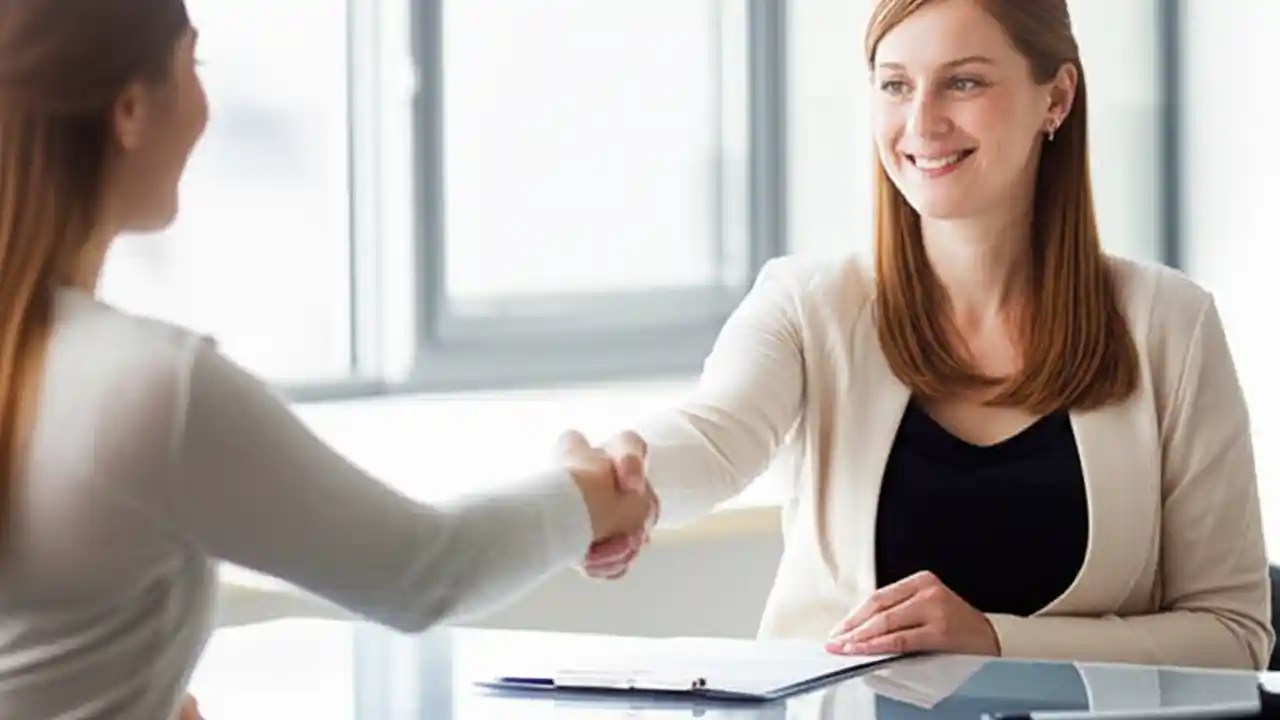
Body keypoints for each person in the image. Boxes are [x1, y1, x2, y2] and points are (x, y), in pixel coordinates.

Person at [0, 1, 656, 717]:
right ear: (128, 110)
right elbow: (423, 572)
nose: (204, 106)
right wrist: (584, 499)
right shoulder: (150, 389)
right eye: (193, 64)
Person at [580, 0, 1273, 670]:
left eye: (963, 82)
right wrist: (627, 482)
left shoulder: (1170, 325)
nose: (921, 121)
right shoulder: (807, 305)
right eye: (895, 85)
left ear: (1056, 98)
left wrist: (995, 643)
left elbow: (1233, 635)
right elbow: (713, 433)